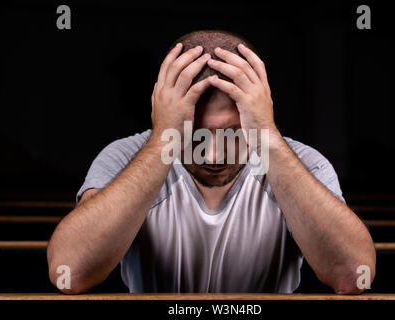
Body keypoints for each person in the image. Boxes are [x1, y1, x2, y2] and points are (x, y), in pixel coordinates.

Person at [47, 30, 376, 294]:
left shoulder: (304, 162)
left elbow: (352, 276)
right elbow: (71, 274)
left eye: (234, 132)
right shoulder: (124, 157)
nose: (214, 155)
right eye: (195, 133)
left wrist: (267, 135)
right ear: (164, 111)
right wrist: (163, 138)